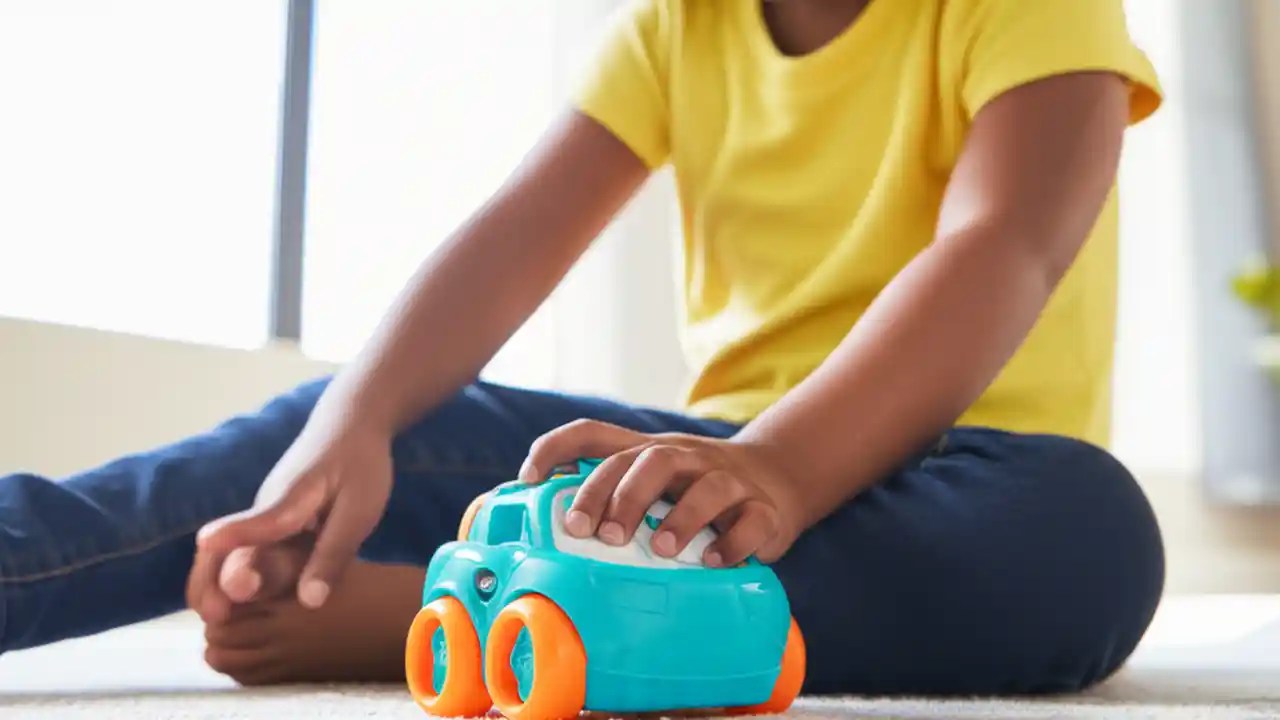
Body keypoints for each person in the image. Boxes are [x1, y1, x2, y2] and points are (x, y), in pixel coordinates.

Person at [0, 0, 1165, 695]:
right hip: (709, 480)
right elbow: (514, 237)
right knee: (339, 429)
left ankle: (459, 619)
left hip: (965, 473)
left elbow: (1003, 243)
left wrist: (779, 468)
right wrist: (355, 418)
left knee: (1093, 538)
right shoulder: (670, 28)